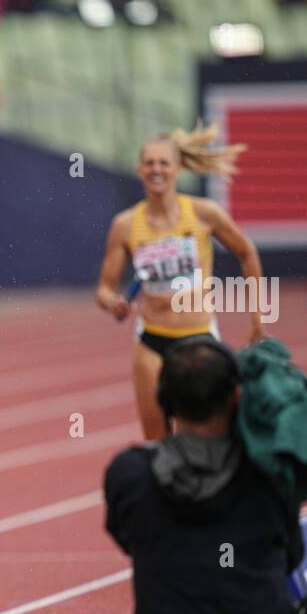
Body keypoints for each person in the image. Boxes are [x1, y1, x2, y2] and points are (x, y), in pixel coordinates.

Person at [103, 336, 307, 614]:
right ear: (237, 398)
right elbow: (291, 559)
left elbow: (129, 538)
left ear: (164, 401)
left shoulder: (129, 476)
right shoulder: (271, 477)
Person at [95, 124, 267, 441]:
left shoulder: (204, 214)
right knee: (157, 443)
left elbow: (247, 253)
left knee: (202, 437)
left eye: (163, 163)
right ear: (140, 170)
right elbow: (104, 289)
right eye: (149, 163)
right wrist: (113, 303)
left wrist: (257, 319)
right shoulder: (125, 225)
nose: (156, 169)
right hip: (151, 342)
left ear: (177, 168)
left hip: (198, 339)